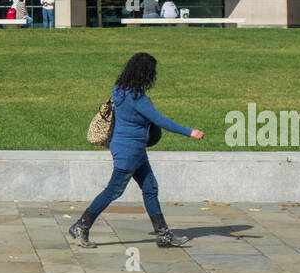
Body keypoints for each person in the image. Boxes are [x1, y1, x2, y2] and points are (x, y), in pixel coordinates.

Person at [69, 52, 204, 250]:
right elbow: (161, 121)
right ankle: (81, 225)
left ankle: (163, 235)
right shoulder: (137, 98)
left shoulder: (119, 90)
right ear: (145, 74)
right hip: (129, 152)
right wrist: (190, 132)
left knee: (150, 188)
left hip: (131, 149)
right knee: (113, 191)